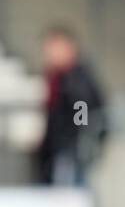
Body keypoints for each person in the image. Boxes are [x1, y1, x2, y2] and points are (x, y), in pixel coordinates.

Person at [35, 26, 107, 186]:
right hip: (60, 151)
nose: (48, 54)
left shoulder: (76, 79)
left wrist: (77, 141)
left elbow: (83, 108)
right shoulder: (59, 78)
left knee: (69, 199)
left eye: (52, 48)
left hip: (69, 153)